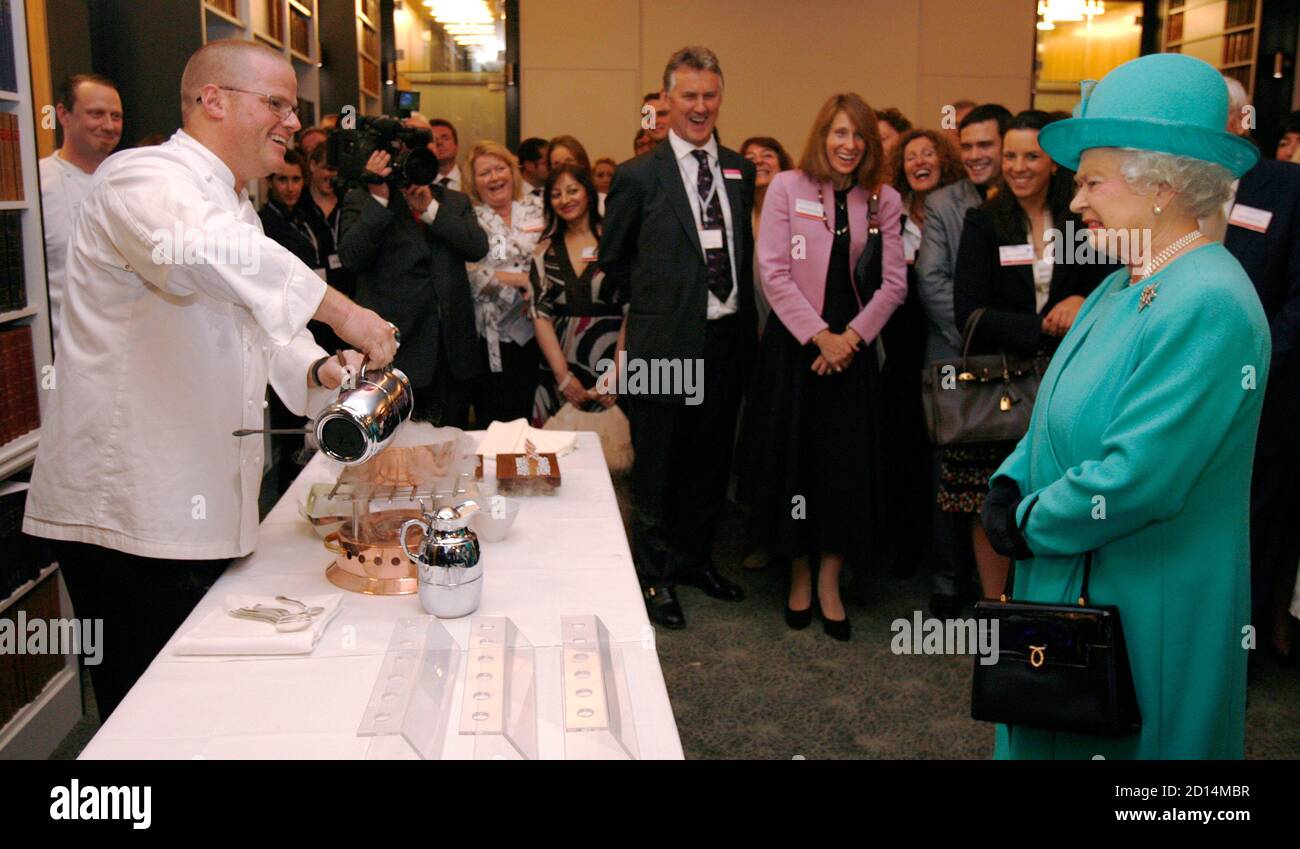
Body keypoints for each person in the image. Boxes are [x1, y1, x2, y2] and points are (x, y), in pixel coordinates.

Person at [22, 39, 397, 719]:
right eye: (277, 103)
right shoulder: (141, 178)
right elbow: (208, 256)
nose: (292, 121)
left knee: (199, 709)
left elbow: (259, 325)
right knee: (148, 717)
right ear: (214, 100)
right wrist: (343, 313)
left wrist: (315, 364)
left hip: (194, 505)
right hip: (128, 516)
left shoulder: (237, 207)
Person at [981, 53, 1267, 758]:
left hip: (1146, 611)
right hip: (1074, 589)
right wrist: (1011, 477)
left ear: (1163, 186)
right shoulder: (1117, 286)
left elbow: (1140, 478)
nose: (1076, 202)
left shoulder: (1210, 301)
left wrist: (1024, 521)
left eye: (1093, 182)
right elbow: (1052, 413)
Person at [599, 46, 757, 630]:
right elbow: (614, 263)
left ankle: (695, 562)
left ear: (721, 97)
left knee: (710, 463)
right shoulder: (637, 176)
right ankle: (655, 577)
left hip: (725, 343)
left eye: (709, 95)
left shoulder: (741, 169)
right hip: (662, 346)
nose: (699, 106)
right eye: (687, 96)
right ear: (665, 101)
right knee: (658, 469)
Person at [739, 94, 906, 641]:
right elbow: (773, 272)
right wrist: (820, 336)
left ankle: (832, 578)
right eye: (839, 133)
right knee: (798, 465)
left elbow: (894, 284)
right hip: (796, 349)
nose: (849, 144)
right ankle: (801, 573)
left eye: (858, 136)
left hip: (853, 354)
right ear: (822, 136)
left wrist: (849, 340)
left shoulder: (884, 199)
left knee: (843, 469)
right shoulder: (788, 187)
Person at [951, 110, 1114, 599]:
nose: (1018, 167)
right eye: (1011, 156)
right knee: (992, 495)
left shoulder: (1081, 221)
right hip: (1003, 387)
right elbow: (968, 313)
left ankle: (1045, 602)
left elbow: (1109, 284)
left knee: (1055, 491)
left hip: (1070, 381)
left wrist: (1082, 302)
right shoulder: (983, 221)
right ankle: (998, 604)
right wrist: (1040, 325)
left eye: (1032, 156)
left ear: (1053, 164)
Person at [915, 102, 1011, 618]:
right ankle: (948, 579)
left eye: (985, 145)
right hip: (956, 356)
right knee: (948, 477)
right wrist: (980, 335)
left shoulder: (1023, 201)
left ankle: (1001, 583)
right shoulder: (943, 203)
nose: (975, 156)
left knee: (1006, 474)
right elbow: (931, 282)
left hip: (1018, 365)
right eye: (967, 146)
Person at [1220, 78, 1300, 666]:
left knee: (1254, 523)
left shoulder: (1286, 185)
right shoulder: (1169, 187)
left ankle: (1236, 656)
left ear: (1242, 120)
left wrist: (1248, 360)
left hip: (1264, 390)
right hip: (1184, 389)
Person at [338, 125, 488, 428]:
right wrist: (379, 198)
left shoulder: (453, 201)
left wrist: (430, 209)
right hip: (397, 355)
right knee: (399, 459)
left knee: (453, 447)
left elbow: (477, 247)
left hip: (452, 356)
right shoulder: (362, 198)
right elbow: (352, 258)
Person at [876, 128, 963, 578]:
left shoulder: (965, 210)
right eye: (911, 157)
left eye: (928, 153)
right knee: (905, 447)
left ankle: (948, 555)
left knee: (946, 447)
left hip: (948, 343)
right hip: (900, 347)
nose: (920, 161)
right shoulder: (891, 213)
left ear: (944, 159)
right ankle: (907, 544)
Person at [530, 164, 623, 425]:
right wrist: (563, 377)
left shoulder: (617, 243)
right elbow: (540, 314)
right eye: (556, 194)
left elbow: (633, 309)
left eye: (572, 190)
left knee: (617, 457)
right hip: (559, 368)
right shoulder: (544, 251)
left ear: (589, 193)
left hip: (614, 366)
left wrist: (617, 373)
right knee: (554, 456)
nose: (565, 200)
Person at [464, 140, 546, 424]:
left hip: (539, 331)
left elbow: (552, 255)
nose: (495, 177)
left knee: (537, 419)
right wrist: (519, 279)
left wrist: (535, 283)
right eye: (485, 173)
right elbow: (469, 274)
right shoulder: (470, 219)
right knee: (497, 422)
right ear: (474, 182)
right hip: (492, 338)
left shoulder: (537, 208)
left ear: (513, 171)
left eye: (500, 168)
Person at [40, 73, 123, 344]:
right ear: (63, 114)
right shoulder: (37, 185)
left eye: (116, 116)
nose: (109, 125)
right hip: (60, 355)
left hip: (129, 356)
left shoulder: (132, 182)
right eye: (97, 114)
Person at [740, 135, 793, 334]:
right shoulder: (739, 216)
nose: (759, 161)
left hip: (789, 318)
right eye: (750, 157)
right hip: (751, 324)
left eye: (767, 155)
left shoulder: (796, 215)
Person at [430, 117, 462, 191]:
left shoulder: (473, 180)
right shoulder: (418, 184)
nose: (439, 142)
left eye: (445, 138)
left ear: (456, 146)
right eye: (433, 139)